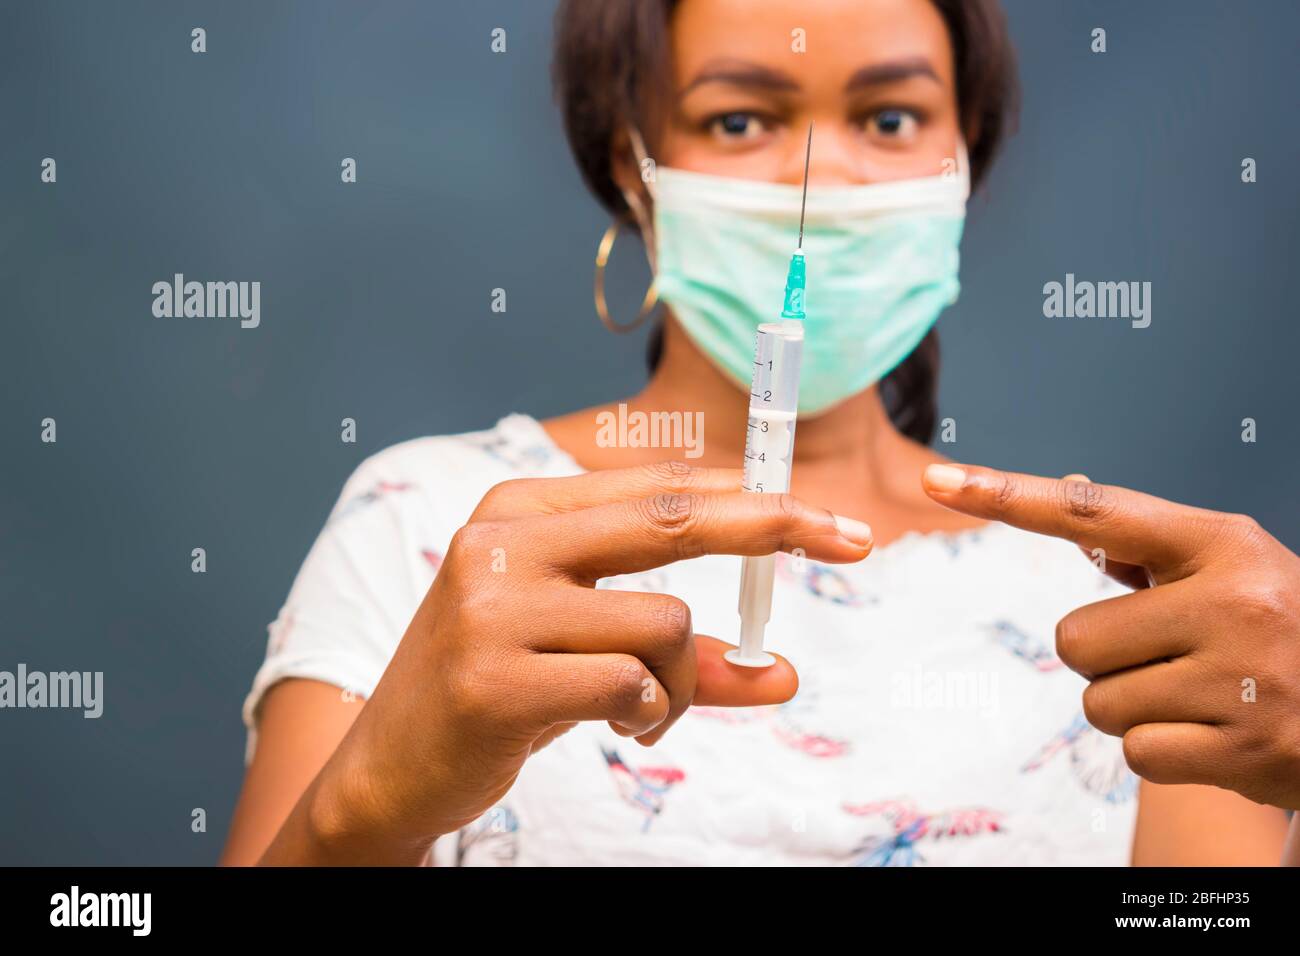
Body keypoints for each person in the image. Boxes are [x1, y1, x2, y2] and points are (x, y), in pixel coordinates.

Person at [220, 0, 1296, 866]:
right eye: (741, 120)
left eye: (888, 119)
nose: (814, 184)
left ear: (965, 156)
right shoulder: (442, 536)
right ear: (627, 158)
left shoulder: (1115, 598)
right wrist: (366, 810)